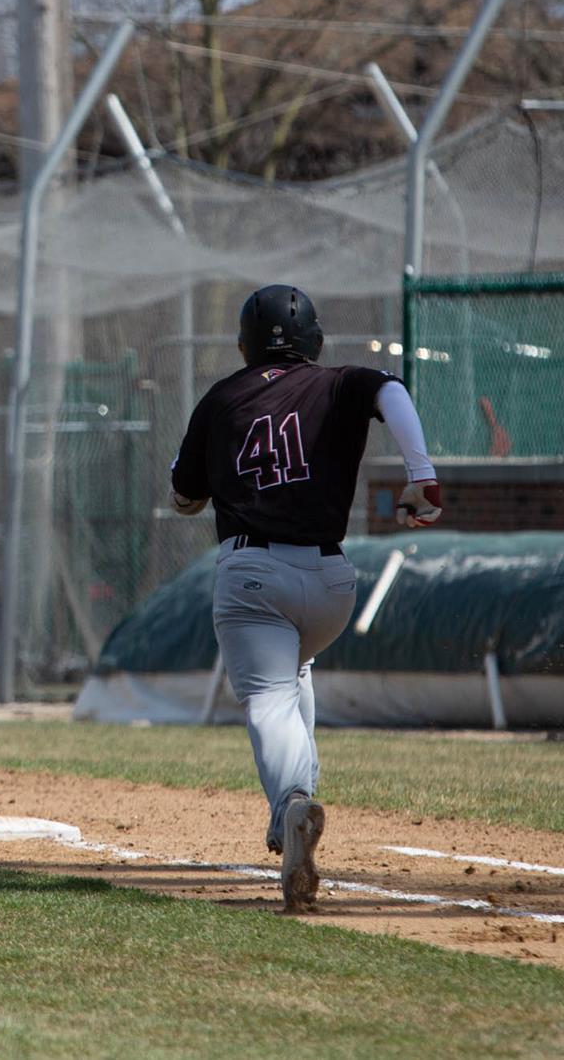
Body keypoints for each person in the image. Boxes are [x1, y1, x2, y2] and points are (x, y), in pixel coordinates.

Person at [169, 284, 441, 912]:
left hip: (254, 574)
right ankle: (287, 811)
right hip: (330, 583)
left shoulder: (222, 397)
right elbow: (392, 390)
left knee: (267, 697)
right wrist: (421, 474)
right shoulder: (342, 381)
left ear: (243, 344)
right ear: (315, 340)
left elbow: (185, 495)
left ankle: (293, 802)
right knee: (293, 673)